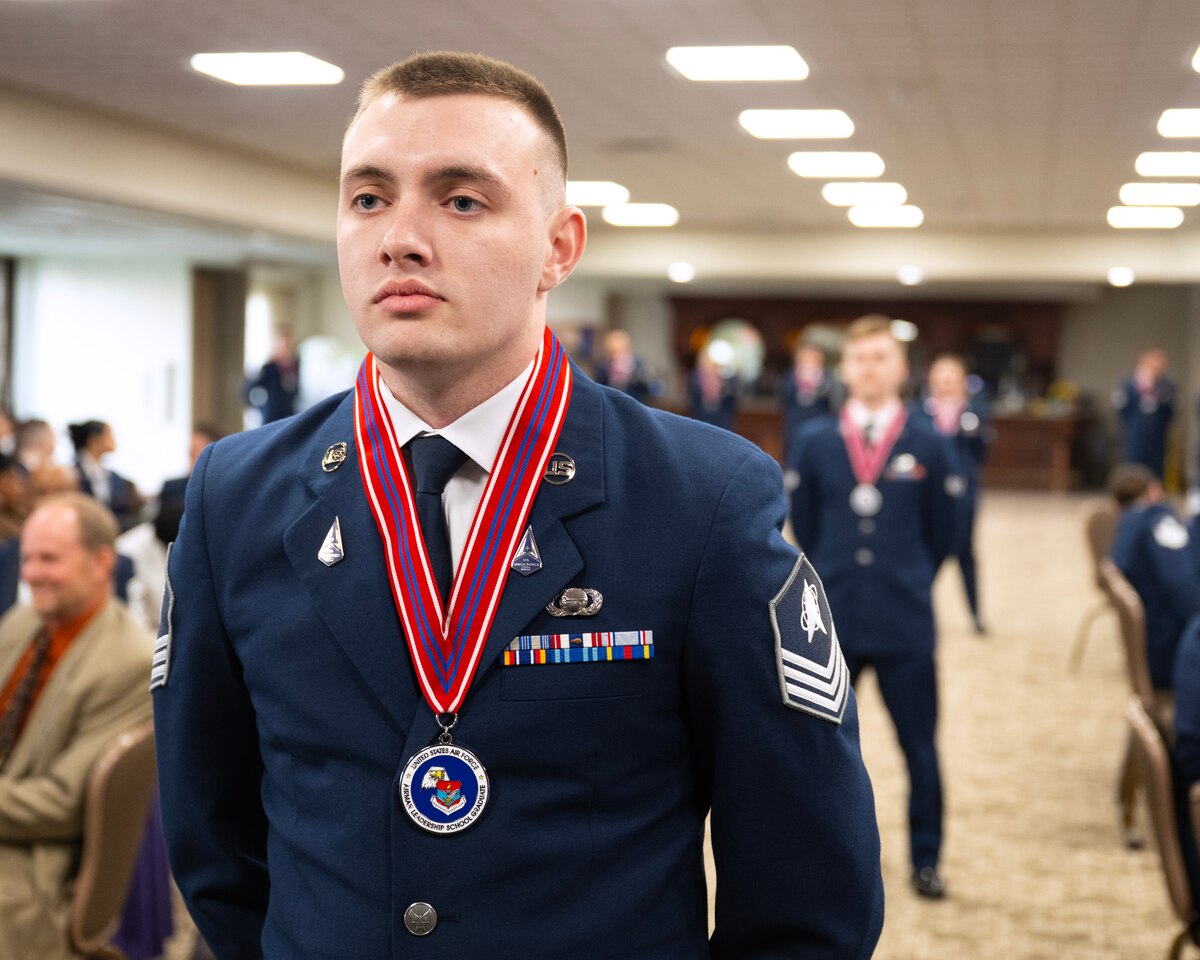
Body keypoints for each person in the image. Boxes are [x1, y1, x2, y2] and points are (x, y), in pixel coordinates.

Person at [153, 51, 883, 957]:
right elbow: (213, 836)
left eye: (462, 200)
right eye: (369, 197)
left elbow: (806, 879)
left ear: (559, 247)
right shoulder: (235, 498)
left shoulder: (700, 499)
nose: (399, 239)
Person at [790, 314, 963, 899]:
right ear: (846, 368)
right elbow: (806, 528)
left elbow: (945, 534)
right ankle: (818, 858)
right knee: (817, 749)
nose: (869, 368)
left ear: (900, 368)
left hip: (904, 620)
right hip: (830, 620)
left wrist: (908, 577)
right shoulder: (814, 442)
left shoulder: (931, 444)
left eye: (880, 357)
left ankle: (926, 858)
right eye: (859, 358)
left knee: (919, 746)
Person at [0, 493, 152, 960]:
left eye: (48, 559)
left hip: (37, 862)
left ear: (101, 561)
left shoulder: (130, 660)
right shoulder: (25, 621)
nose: (29, 574)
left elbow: (61, 805)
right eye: (27, 558)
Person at [913, 352, 991, 633]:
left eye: (951, 376)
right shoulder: (917, 412)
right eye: (940, 376)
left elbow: (981, 453)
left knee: (965, 552)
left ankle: (976, 615)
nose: (945, 382)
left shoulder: (975, 413)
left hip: (964, 493)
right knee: (924, 553)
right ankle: (914, 610)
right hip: (925, 494)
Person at [1110, 463, 1200, 692]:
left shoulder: (1127, 524)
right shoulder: (1159, 521)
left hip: (1151, 647)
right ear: (1154, 489)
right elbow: (1182, 589)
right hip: (1171, 653)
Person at [70, 420, 144, 532]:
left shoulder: (112, 476)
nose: (114, 440)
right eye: (110, 435)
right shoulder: (72, 474)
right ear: (94, 440)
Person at [1113, 348, 1176, 480]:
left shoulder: (1167, 386)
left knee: (1156, 469)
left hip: (1157, 435)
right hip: (1135, 434)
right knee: (1133, 467)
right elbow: (1121, 409)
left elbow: (1171, 412)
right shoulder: (1129, 384)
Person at [780, 340, 840, 467]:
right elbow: (784, 397)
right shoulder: (791, 375)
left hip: (819, 420)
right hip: (796, 422)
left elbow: (833, 400)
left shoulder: (827, 376)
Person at [246, 325, 301, 424]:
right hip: (271, 417)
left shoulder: (296, 364)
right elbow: (249, 390)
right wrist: (262, 407)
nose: (284, 347)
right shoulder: (268, 368)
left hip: (290, 415)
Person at [593, 329, 653, 403]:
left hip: (636, 405)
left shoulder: (638, 365)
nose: (617, 356)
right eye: (613, 352)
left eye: (621, 351)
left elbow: (648, 390)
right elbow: (599, 388)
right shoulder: (603, 367)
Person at [688, 350, 738, 431]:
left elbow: (732, 395)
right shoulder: (696, 377)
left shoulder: (724, 376)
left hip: (721, 418)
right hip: (701, 416)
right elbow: (693, 396)